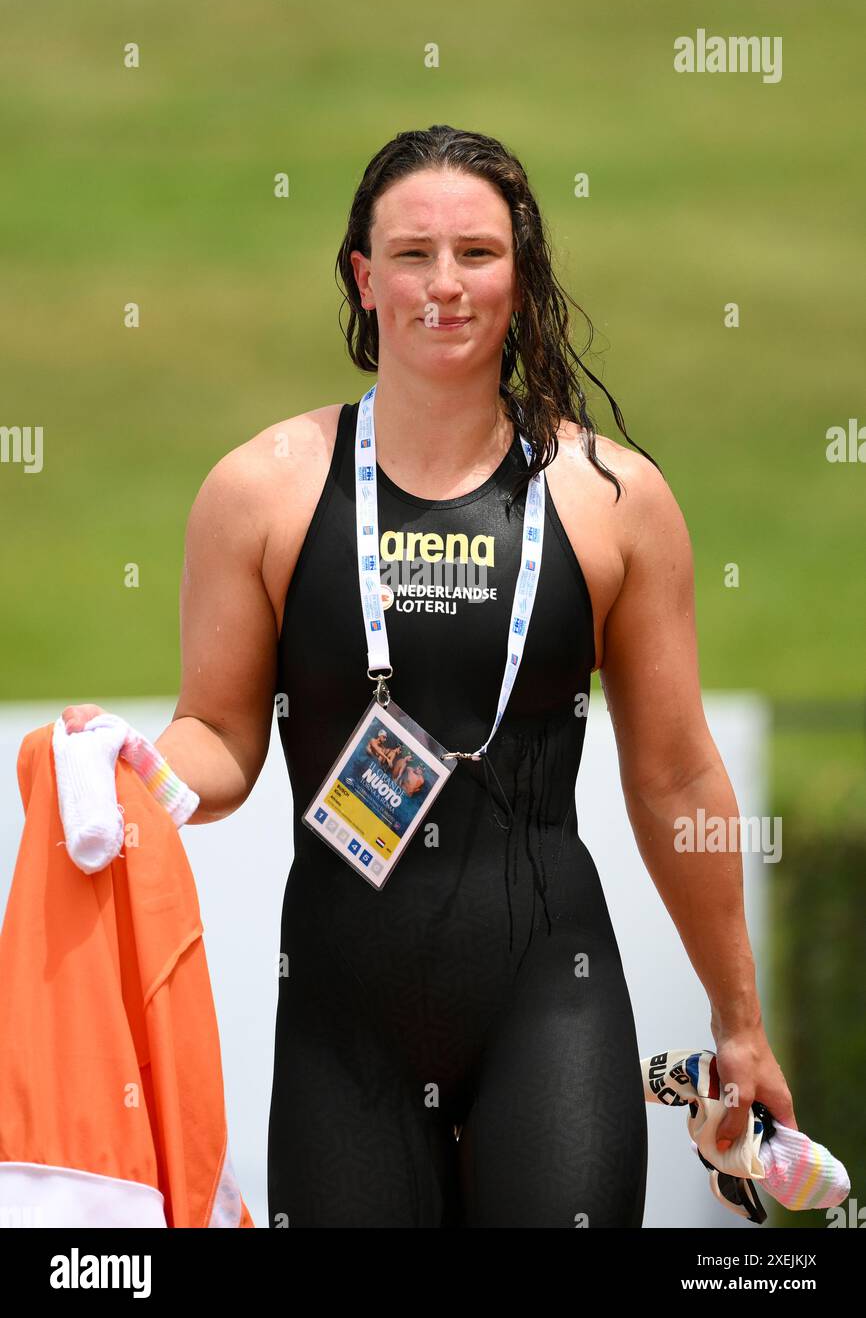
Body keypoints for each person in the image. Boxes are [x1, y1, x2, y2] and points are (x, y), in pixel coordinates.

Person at [63, 123, 799, 1228]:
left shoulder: (611, 498)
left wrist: (737, 1021)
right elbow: (216, 734)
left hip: (550, 1001)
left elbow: (676, 777)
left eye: (476, 253)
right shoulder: (260, 489)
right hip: (338, 1018)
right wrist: (142, 775)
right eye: (410, 255)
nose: (442, 285)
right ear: (364, 278)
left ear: (520, 275)